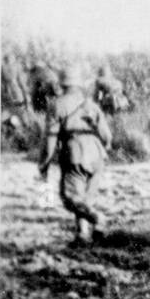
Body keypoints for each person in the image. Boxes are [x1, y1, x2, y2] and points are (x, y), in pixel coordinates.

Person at [39, 63, 113, 245]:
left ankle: (98, 219)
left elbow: (50, 140)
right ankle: (82, 235)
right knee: (85, 198)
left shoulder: (56, 105)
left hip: (75, 154)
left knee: (70, 197)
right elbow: (106, 136)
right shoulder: (91, 104)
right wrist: (102, 149)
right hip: (97, 155)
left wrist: (44, 163)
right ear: (79, 84)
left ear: (62, 84)